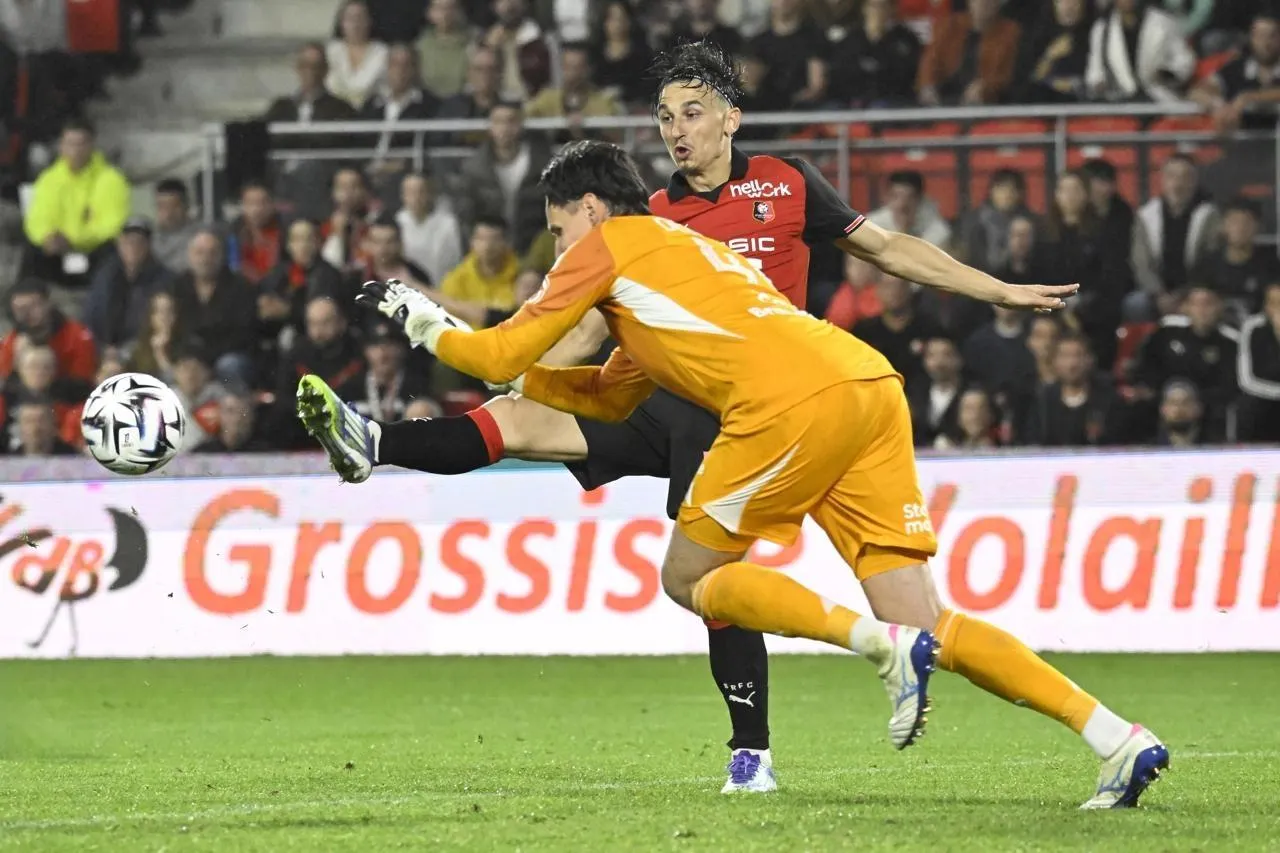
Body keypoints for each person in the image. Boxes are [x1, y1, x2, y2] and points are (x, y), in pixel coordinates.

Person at [294, 45, 1166, 809]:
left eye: (692, 111)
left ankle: (835, 683)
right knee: (923, 614)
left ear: (729, 118)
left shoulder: (722, 203)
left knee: (694, 574)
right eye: (664, 117)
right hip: (854, 384)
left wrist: (430, 323)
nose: (677, 129)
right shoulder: (670, 227)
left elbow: (887, 248)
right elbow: (607, 377)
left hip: (766, 409)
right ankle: (1116, 738)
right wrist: (526, 373)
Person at [22, 118, 131, 286]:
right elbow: (37, 218)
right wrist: (48, 236)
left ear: (92, 145)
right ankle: (24, 299)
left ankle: (103, 300)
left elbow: (112, 226)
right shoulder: (49, 179)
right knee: (32, 250)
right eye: (70, 144)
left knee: (112, 251)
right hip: (58, 253)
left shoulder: (111, 179)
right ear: (61, 146)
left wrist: (73, 240)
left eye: (81, 144)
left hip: (90, 254)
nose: (75, 150)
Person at [326, 0, 389, 109]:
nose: (355, 24)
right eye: (350, 19)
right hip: (333, 112)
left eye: (360, 18)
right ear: (341, 22)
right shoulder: (330, 51)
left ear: (369, 21)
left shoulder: (382, 52)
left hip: (371, 112)